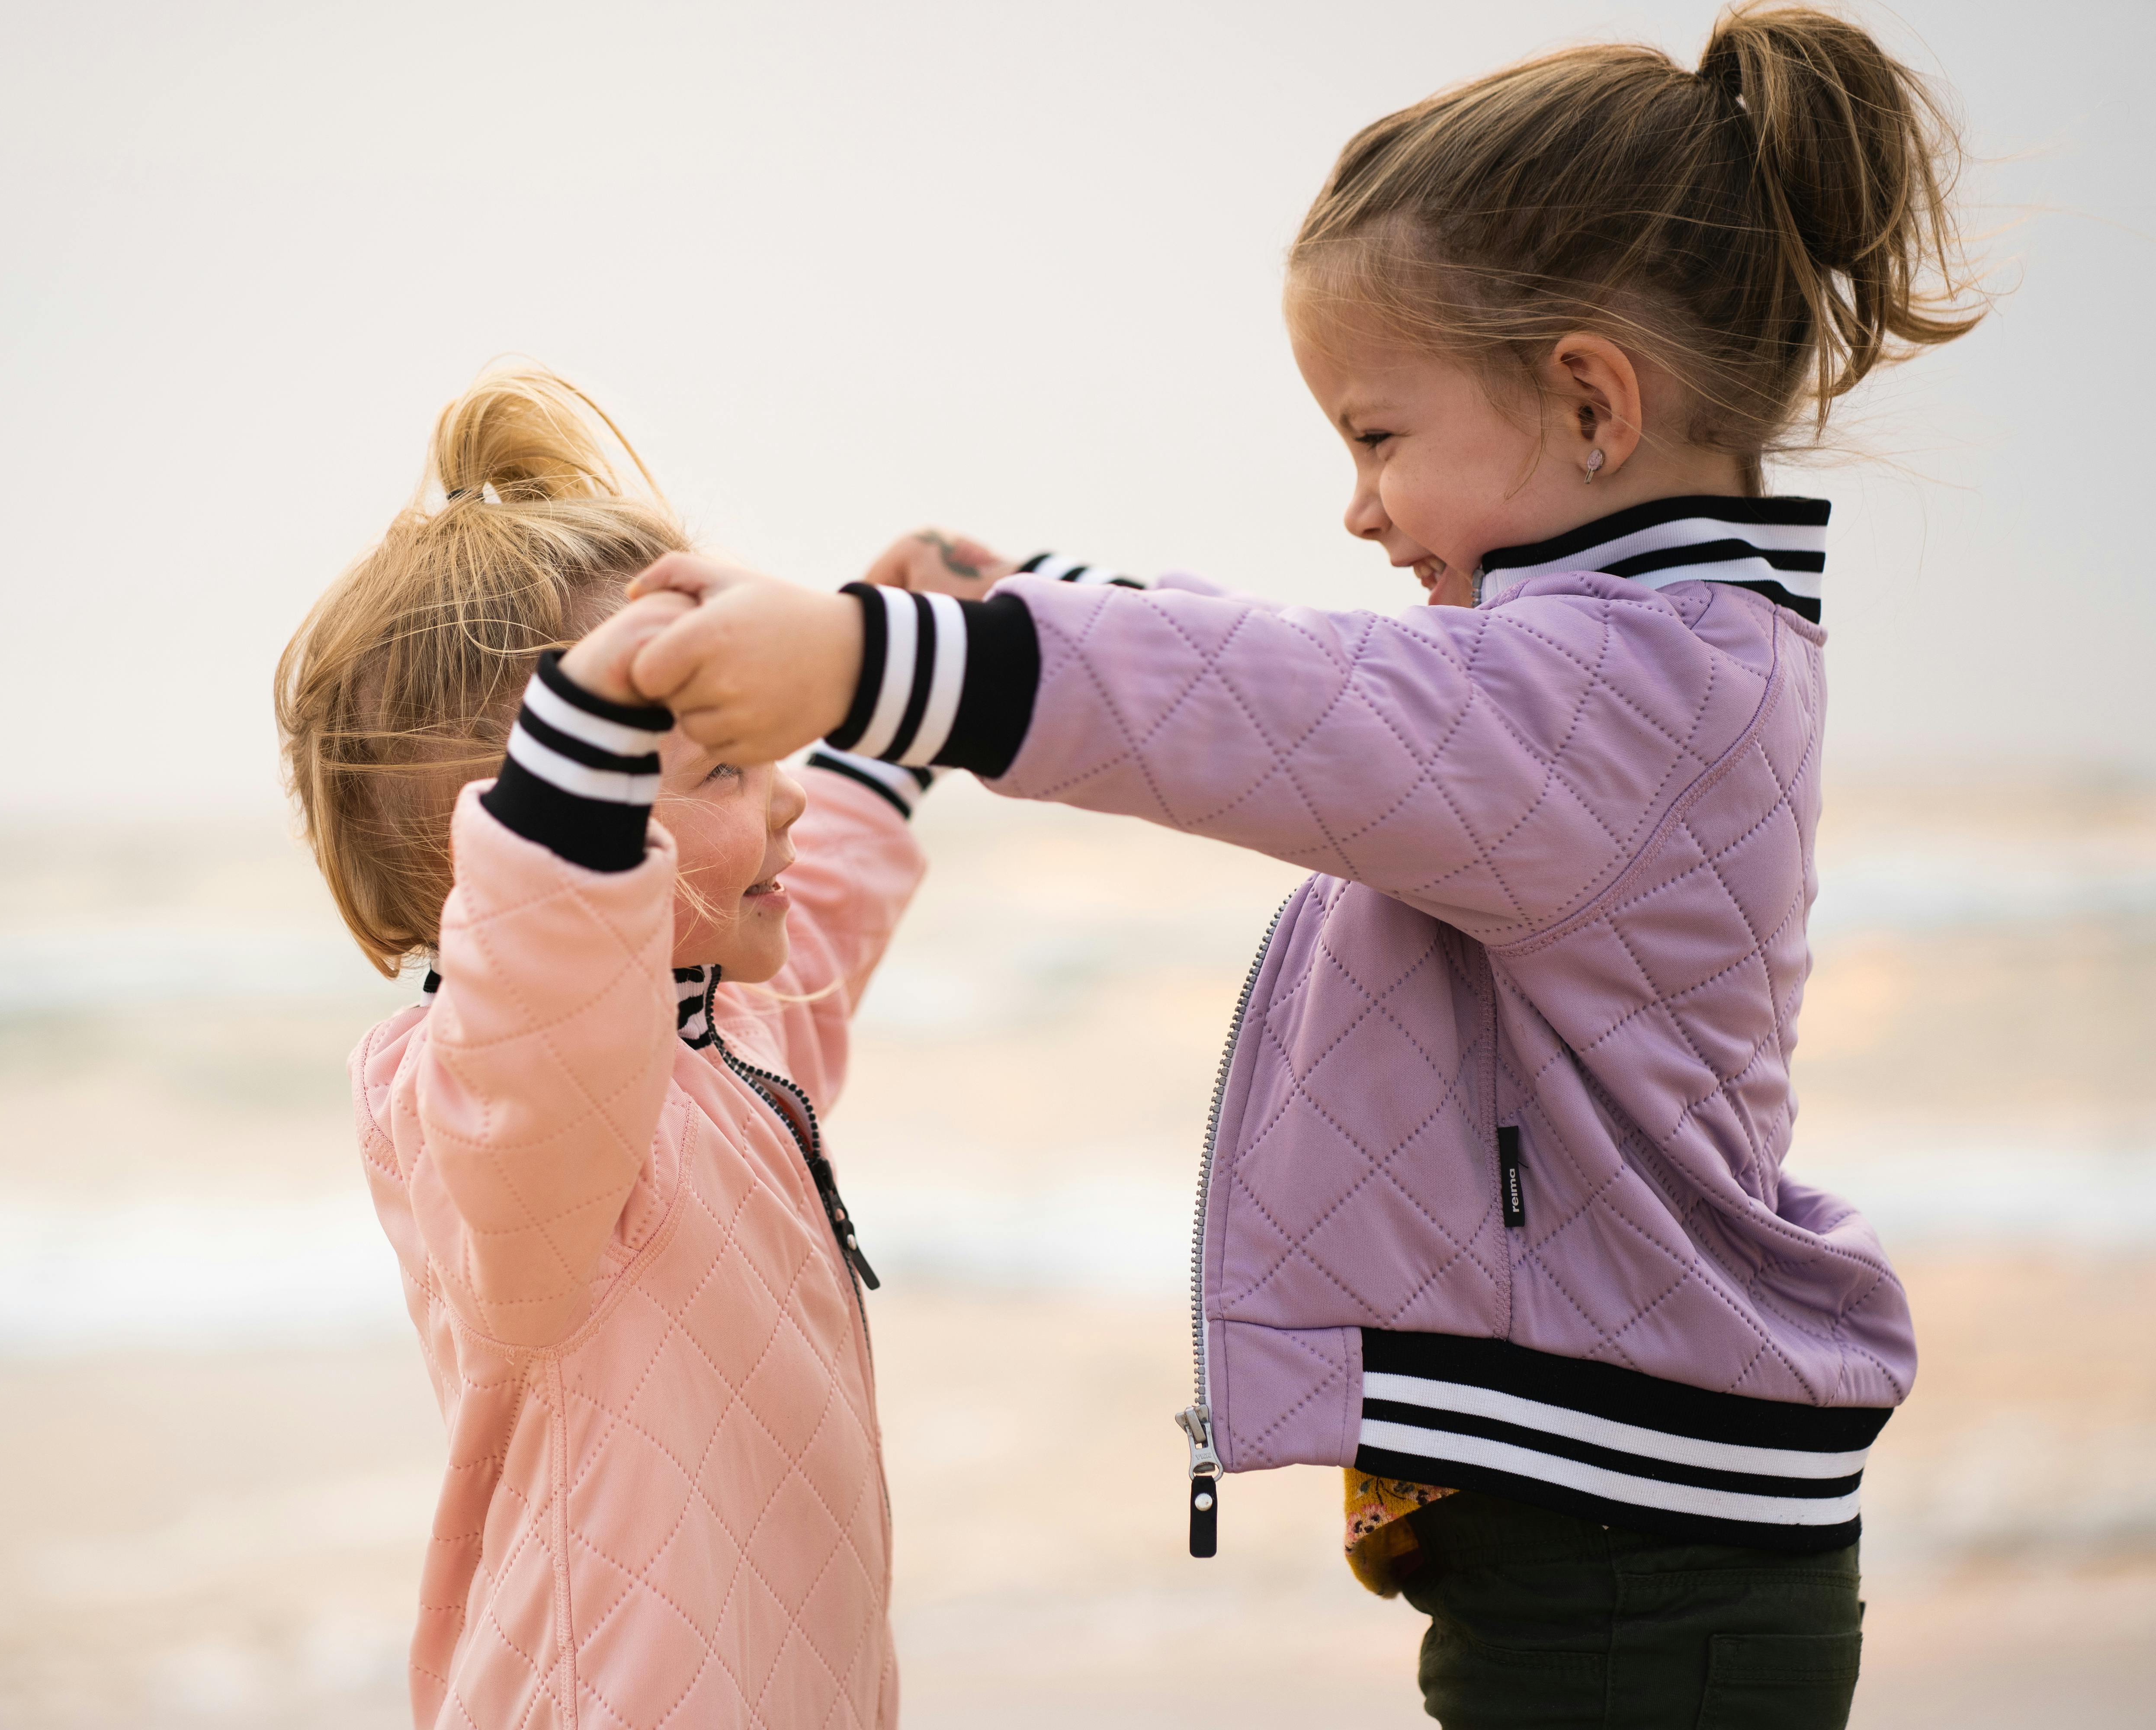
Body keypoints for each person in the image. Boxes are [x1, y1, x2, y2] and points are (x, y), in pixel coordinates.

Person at [617, 6, 1983, 1724]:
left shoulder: (1614, 698)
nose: (1356, 504)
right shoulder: (1637, 672)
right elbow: (1314, 698)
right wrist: (1031, 592)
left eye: (1378, 435)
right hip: (1630, 1551)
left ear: (1588, 402)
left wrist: (887, 661)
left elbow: (1284, 710)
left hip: (1639, 1584)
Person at [275, 365, 933, 1729]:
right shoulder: (496, 1108)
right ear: (559, 818)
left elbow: (824, 923)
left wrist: (912, 705)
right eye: (726, 771)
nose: (788, 802)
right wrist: (583, 761)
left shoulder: (728, 1034)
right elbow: (549, 983)